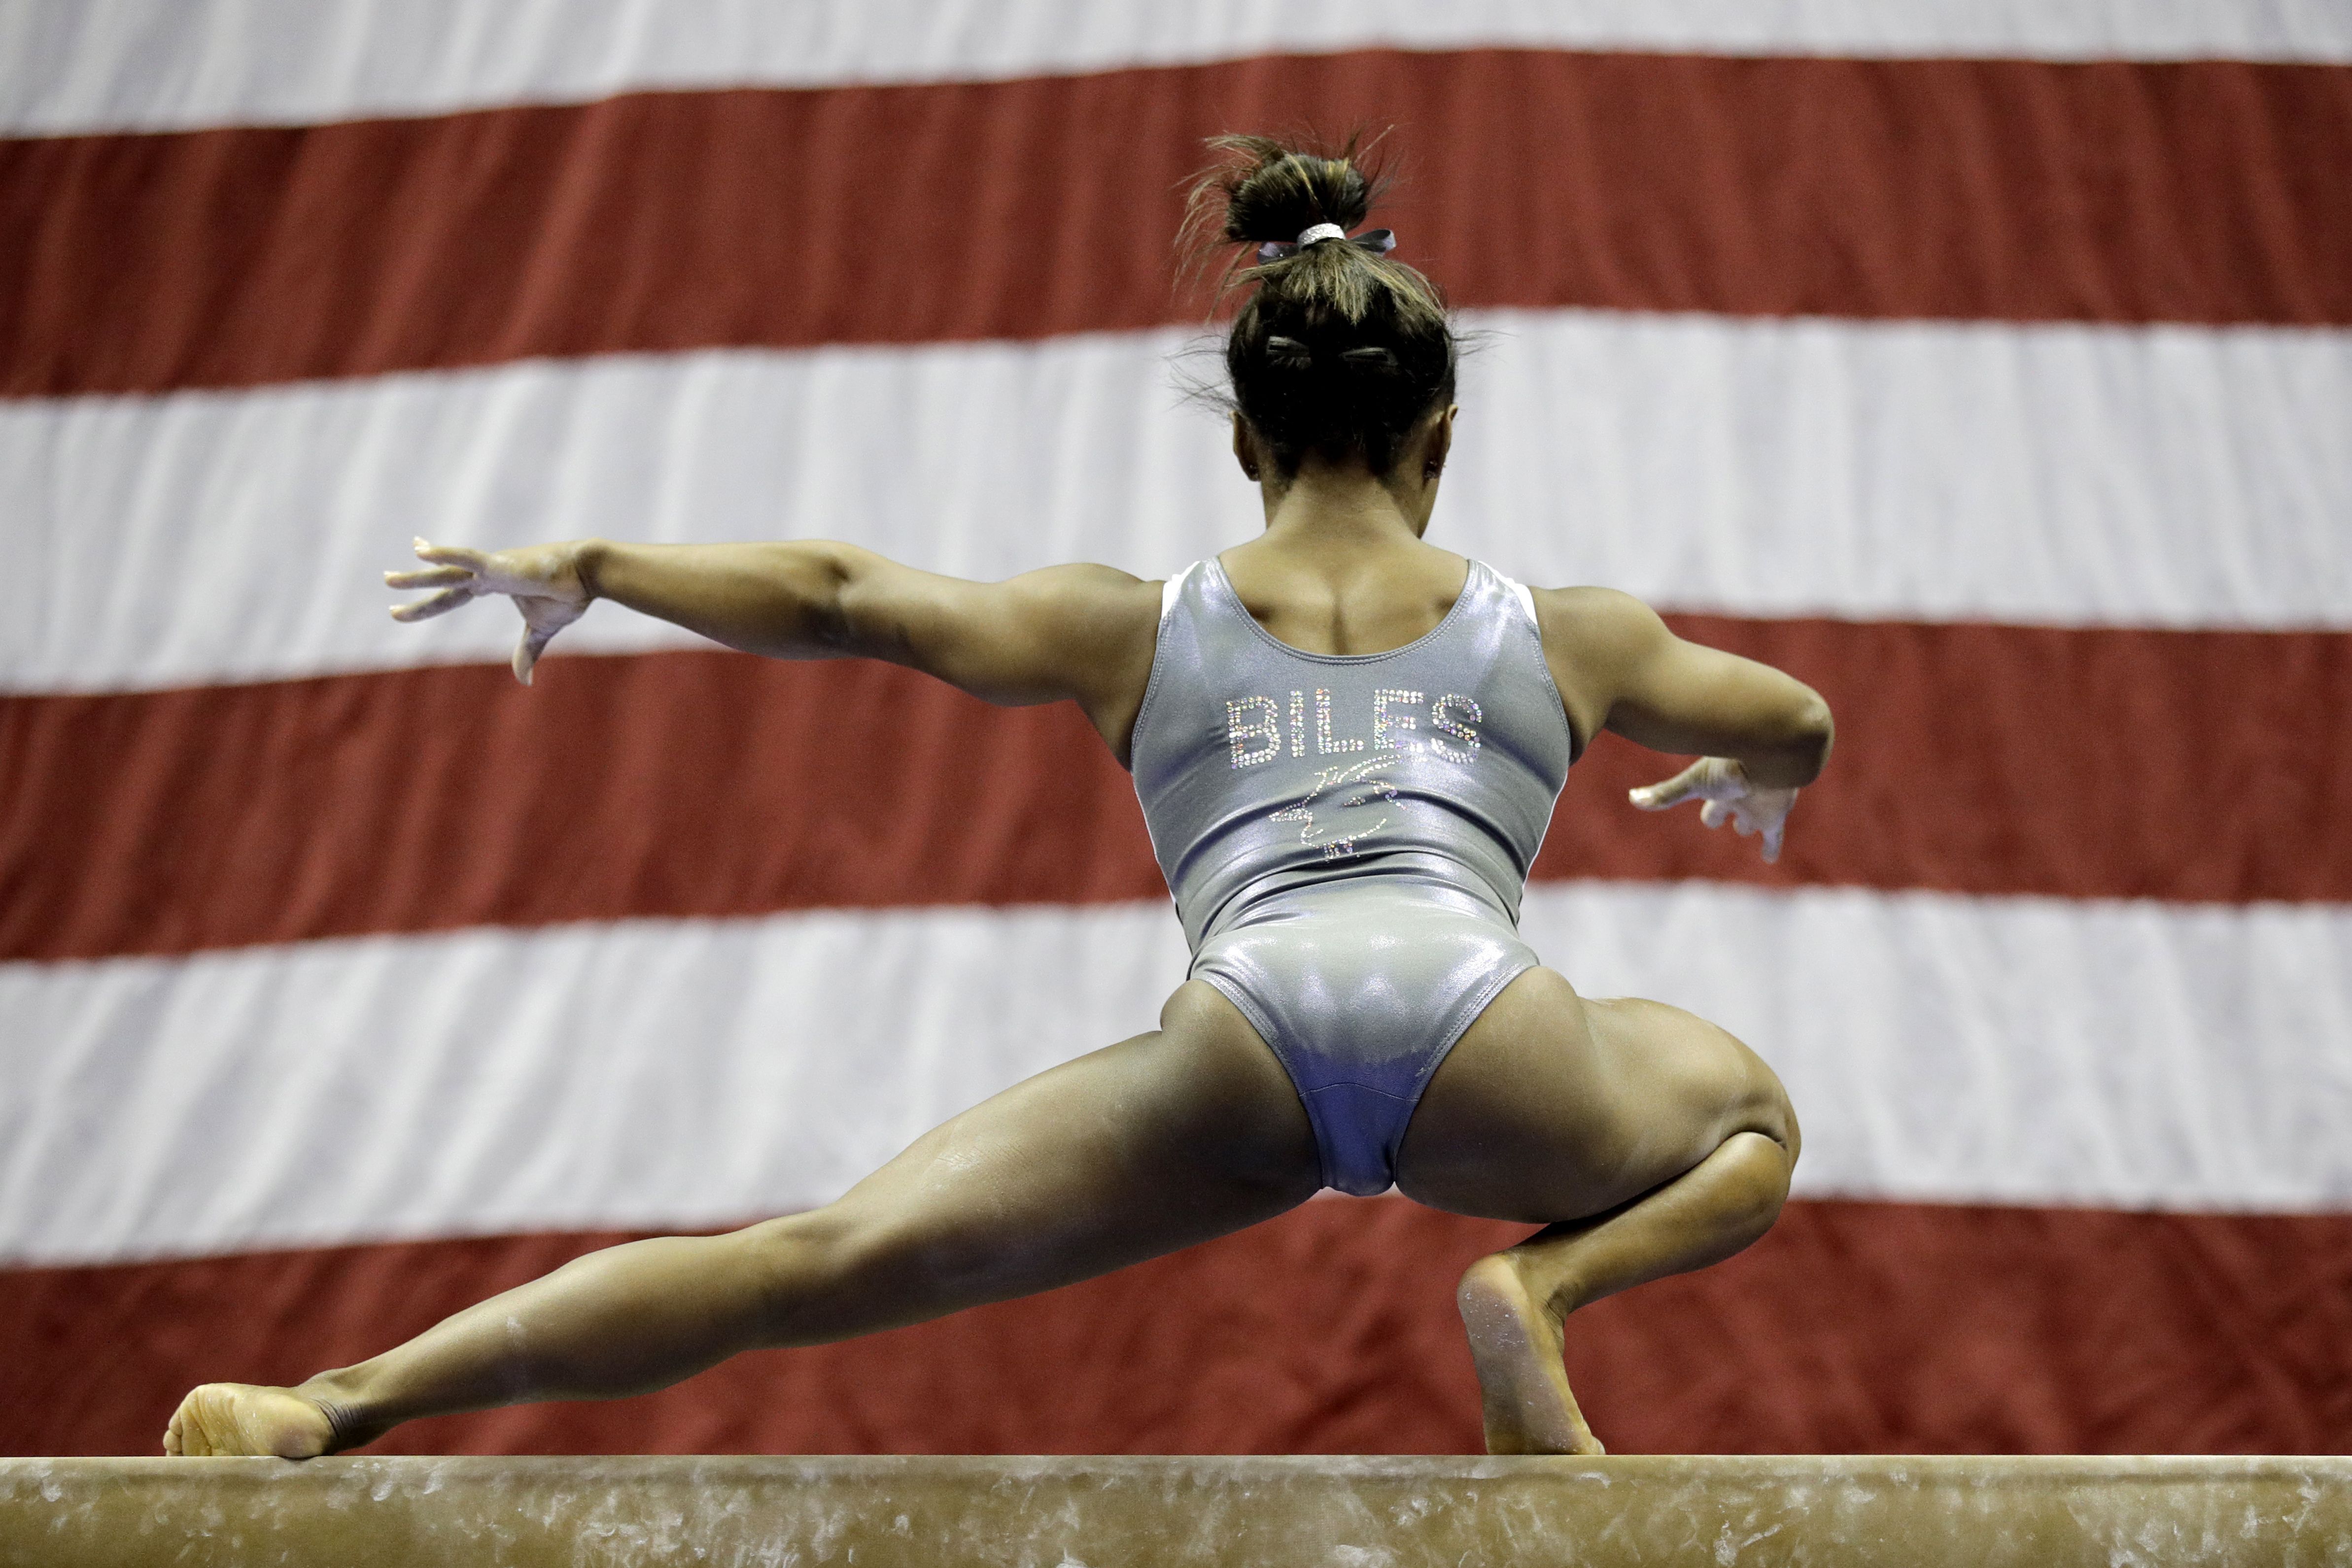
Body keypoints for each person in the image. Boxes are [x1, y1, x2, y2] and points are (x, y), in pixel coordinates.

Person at [164, 135, 1828, 1461]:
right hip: (1489, 1027)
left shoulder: (1127, 626)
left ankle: (332, 1404)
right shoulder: (1570, 635)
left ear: (1243, 442)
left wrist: (599, 562)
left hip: (1242, 1037)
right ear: (1439, 438)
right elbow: (1799, 718)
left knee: (810, 1263)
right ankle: (1539, 1289)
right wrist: (1753, 770)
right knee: (1748, 1118)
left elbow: (841, 595)